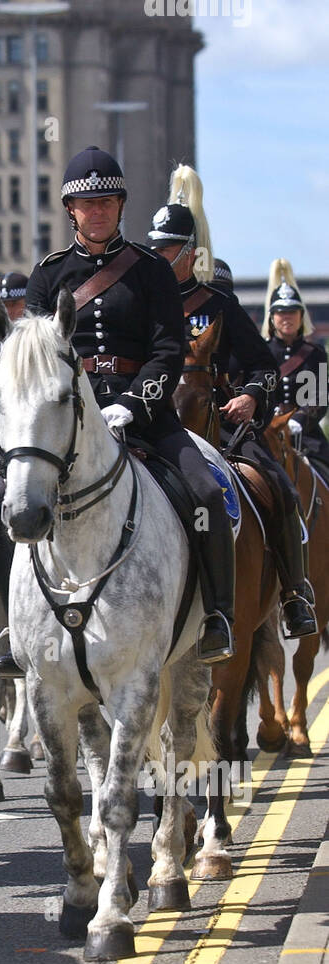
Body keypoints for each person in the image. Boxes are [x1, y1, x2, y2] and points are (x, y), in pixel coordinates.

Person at [0, 144, 237, 676]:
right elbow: (30, 358)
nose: (97, 211)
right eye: (87, 203)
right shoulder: (49, 275)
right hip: (66, 415)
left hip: (139, 410)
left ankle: (217, 616)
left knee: (208, 494)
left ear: (120, 207)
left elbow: (169, 351)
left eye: (107, 202)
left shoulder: (151, 271)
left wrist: (131, 405)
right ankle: (14, 626)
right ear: (70, 211)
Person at [148, 173, 316, 638]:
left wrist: (251, 396)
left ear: (189, 253)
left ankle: (294, 593)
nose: (158, 257)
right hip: (148, 423)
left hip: (221, 427)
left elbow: (264, 367)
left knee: (279, 486)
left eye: (168, 250)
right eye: (154, 248)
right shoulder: (137, 301)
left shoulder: (217, 301)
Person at [264, 259, 329, 475]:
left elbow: (318, 398)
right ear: (272, 318)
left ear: (301, 316)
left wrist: (298, 421)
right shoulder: (260, 353)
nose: (287, 317)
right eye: (281, 312)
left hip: (306, 435)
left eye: (292, 312)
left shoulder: (314, 354)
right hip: (267, 431)